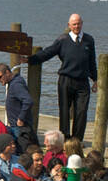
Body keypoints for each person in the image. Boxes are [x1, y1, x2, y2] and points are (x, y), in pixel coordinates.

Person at [27, 13, 97, 141]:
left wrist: (95, 79)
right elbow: (48, 53)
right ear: (69, 25)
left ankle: (77, 140)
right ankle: (65, 138)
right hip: (66, 80)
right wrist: (29, 60)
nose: (77, 26)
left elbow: (92, 61)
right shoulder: (62, 40)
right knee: (64, 111)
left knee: (81, 112)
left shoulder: (89, 40)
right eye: (74, 24)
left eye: (79, 23)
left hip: (83, 81)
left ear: (82, 24)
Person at [0, 62, 36, 152]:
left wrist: (21, 118)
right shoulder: (14, 82)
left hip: (20, 128)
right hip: (15, 126)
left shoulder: (16, 85)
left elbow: (28, 101)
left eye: (0, 77)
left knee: (22, 151)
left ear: (8, 73)